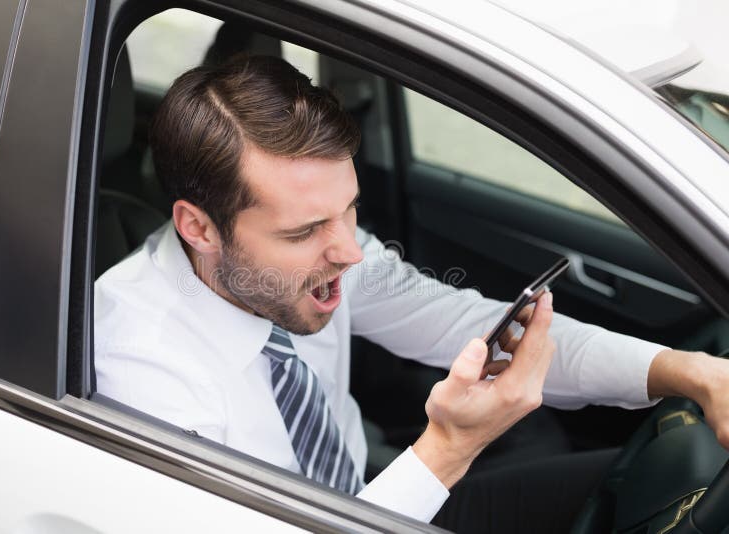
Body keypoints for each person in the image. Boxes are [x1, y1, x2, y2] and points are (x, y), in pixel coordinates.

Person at [94, 55, 729, 531]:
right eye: (304, 230)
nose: (348, 250)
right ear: (198, 228)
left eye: (349, 210)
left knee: (646, 476)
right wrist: (450, 447)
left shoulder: (324, 258)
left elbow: (466, 320)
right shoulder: (140, 373)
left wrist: (693, 373)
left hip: (381, 494)